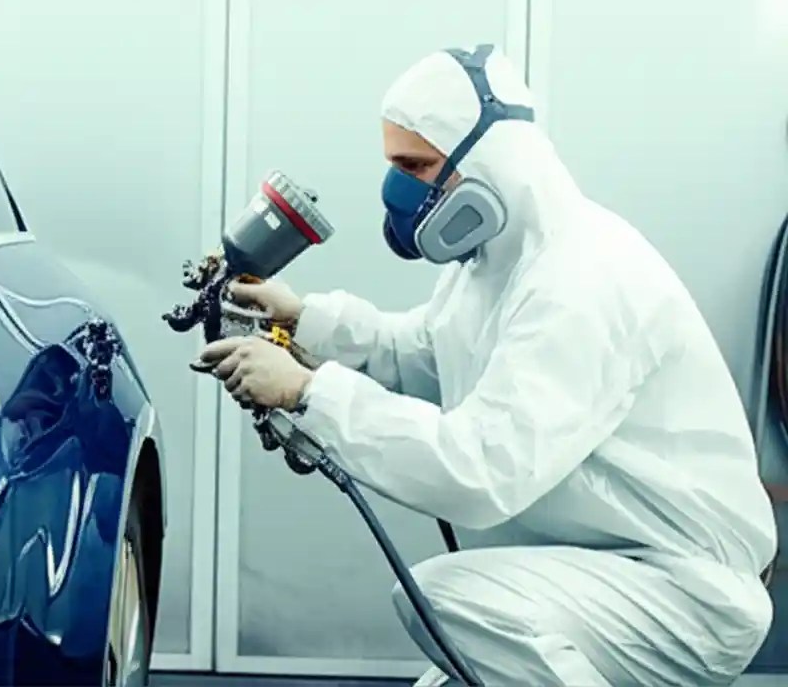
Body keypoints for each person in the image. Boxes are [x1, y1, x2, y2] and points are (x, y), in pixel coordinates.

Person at [197, 44, 777, 686]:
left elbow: (479, 471)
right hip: (607, 568)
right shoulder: (496, 260)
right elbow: (419, 350)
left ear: (488, 168)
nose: (398, 187)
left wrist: (309, 393)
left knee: (449, 601)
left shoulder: (580, 279)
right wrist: (304, 319)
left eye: (415, 166)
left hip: (683, 590)